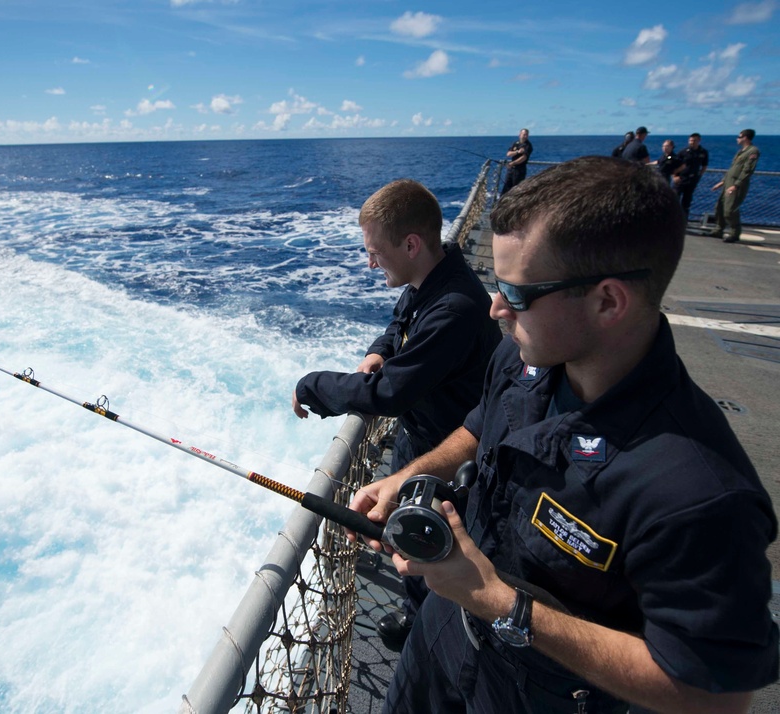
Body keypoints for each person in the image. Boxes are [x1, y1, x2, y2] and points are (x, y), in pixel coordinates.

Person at [348, 156, 778, 713]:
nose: (495, 307)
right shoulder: (522, 355)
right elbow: (481, 427)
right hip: (442, 638)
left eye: (518, 293)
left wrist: (499, 601)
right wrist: (409, 475)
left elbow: (709, 695)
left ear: (607, 301)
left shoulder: (698, 493)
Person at [293, 178, 501, 648]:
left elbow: (388, 393)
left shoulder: (455, 307)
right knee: (407, 536)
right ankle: (415, 612)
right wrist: (378, 350)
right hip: (419, 433)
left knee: (434, 545)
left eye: (375, 252)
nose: (369, 262)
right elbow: (399, 321)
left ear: (411, 244)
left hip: (446, 451)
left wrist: (313, 385)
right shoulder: (432, 276)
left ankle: (432, 635)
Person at [711, 128, 760, 243]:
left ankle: (734, 233)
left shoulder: (752, 151)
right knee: (720, 207)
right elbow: (733, 168)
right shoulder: (741, 152)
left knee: (730, 209)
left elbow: (747, 170)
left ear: (745, 138)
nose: (737, 139)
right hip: (728, 182)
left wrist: (736, 185)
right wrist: (722, 181)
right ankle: (719, 229)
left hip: (736, 184)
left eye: (739, 137)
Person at [672, 133, 709, 218]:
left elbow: (704, 165)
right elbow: (674, 165)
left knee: (686, 202)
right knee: (675, 200)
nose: (692, 142)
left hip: (692, 180)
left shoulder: (703, 152)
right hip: (681, 179)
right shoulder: (683, 152)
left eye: (694, 140)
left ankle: (684, 220)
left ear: (699, 140)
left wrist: (699, 175)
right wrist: (675, 176)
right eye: (691, 140)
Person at [502, 129, 533, 194]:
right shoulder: (515, 143)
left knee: (516, 190)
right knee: (506, 188)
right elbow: (508, 154)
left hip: (519, 170)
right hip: (511, 170)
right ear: (519, 135)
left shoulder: (528, 145)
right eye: (524, 134)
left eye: (526, 135)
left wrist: (513, 163)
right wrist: (517, 152)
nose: (525, 136)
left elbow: (524, 157)